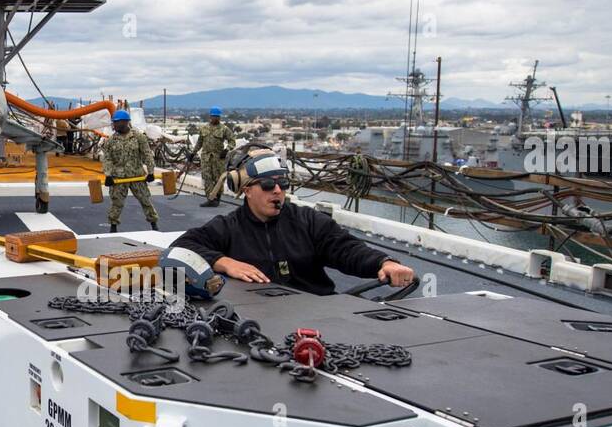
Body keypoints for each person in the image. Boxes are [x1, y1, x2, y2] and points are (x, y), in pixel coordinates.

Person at [171, 149, 415, 296]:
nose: (277, 191)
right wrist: (224, 262)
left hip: (314, 312)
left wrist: (384, 263)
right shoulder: (227, 227)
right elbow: (182, 248)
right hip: (256, 315)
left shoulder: (308, 221)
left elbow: (346, 248)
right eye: (267, 184)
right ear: (246, 190)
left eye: (282, 183)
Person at [99, 109, 159, 232]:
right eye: (113, 122)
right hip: (118, 178)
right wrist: (108, 175)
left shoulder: (138, 137)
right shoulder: (111, 140)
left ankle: (154, 224)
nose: (114, 125)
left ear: (125, 122)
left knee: (145, 200)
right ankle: (113, 227)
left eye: (116, 122)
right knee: (117, 203)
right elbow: (107, 159)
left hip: (137, 176)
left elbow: (147, 155)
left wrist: (151, 172)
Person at [196, 106, 235, 207]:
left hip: (218, 158)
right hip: (206, 157)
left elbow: (232, 141)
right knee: (207, 177)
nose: (215, 118)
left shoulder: (224, 129)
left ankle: (217, 197)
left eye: (217, 116)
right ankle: (210, 199)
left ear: (220, 117)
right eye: (214, 116)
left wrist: (227, 150)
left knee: (218, 179)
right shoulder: (204, 128)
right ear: (210, 116)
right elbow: (199, 142)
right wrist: (193, 153)